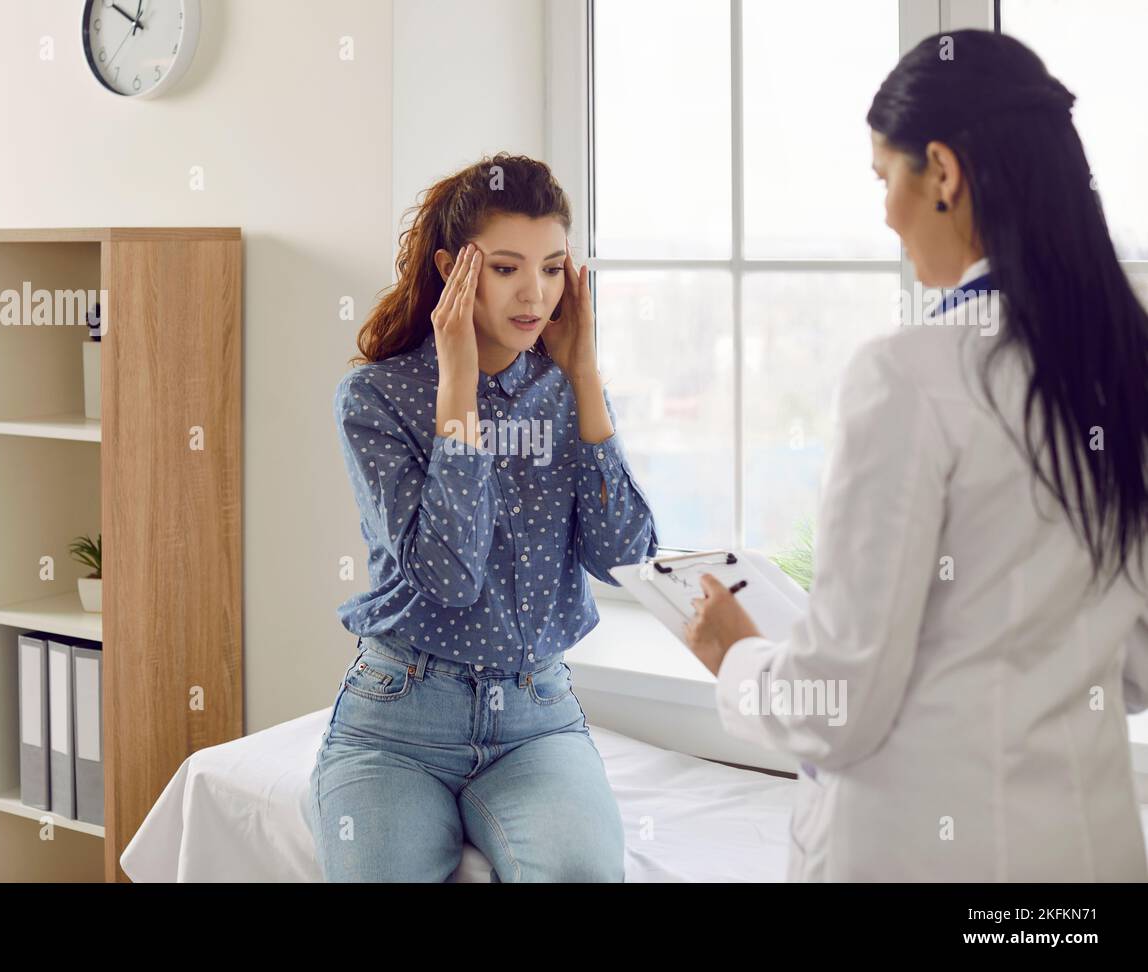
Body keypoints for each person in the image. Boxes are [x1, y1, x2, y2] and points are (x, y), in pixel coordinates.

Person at [684, 29, 1148, 881]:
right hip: (1091, 854)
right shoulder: (1125, 362)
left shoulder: (909, 376)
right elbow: (1138, 660)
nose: (886, 215)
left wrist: (737, 655)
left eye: (884, 178)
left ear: (942, 171)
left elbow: (841, 706)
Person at [307, 153, 659, 882]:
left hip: (537, 720)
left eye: (554, 267)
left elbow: (629, 560)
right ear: (452, 269)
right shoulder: (374, 399)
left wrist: (586, 378)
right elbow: (449, 575)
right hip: (397, 722)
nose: (535, 293)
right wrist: (458, 383)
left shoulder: (567, 392)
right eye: (506, 268)